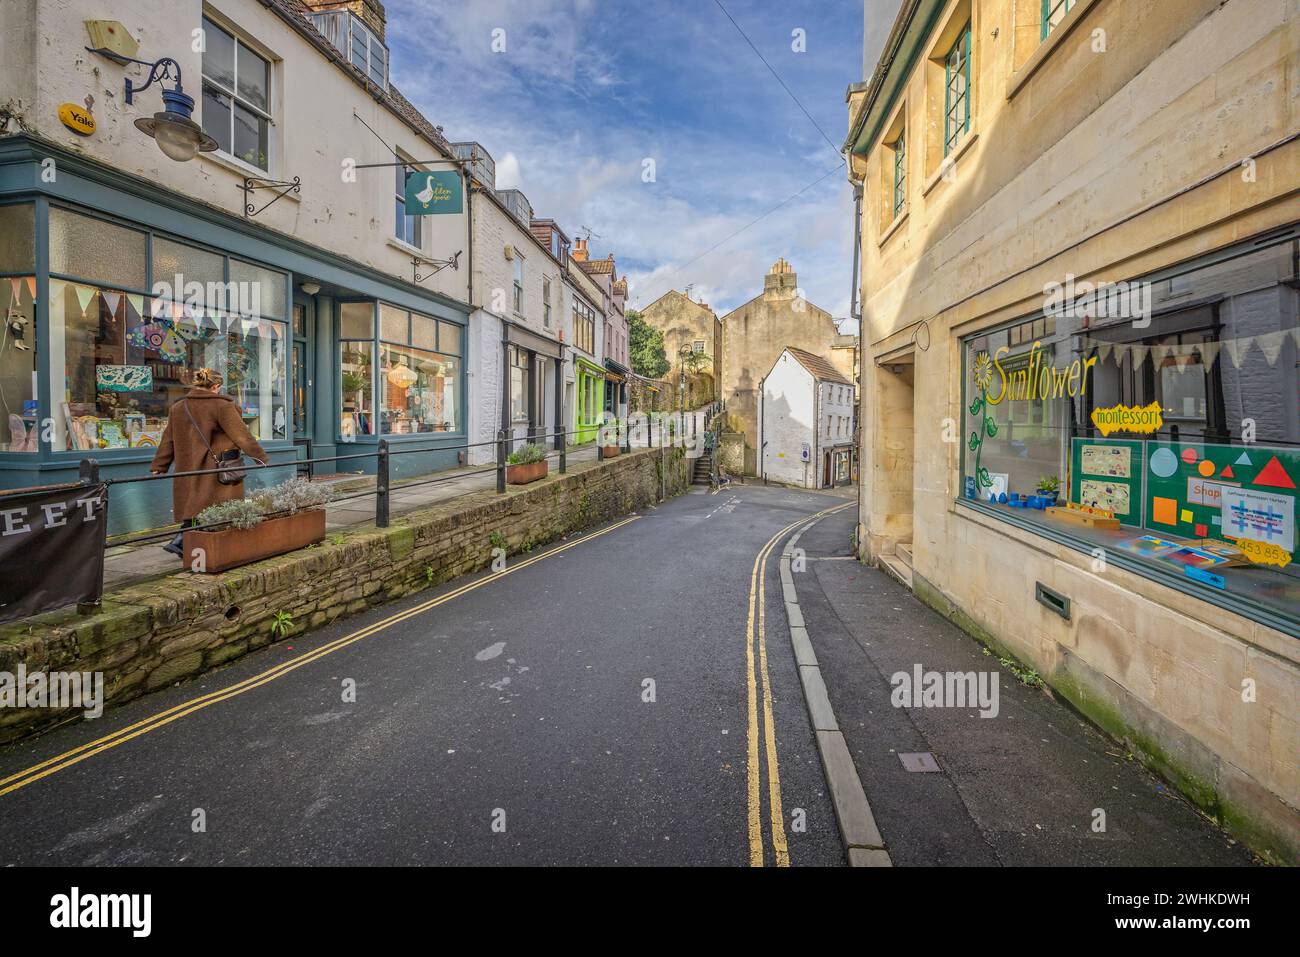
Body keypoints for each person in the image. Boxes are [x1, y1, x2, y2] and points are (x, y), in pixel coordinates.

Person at [150, 368, 268, 557]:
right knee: (214, 508)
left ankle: (189, 543)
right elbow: (242, 436)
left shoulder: (179, 407)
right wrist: (260, 457)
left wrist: (160, 465)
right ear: (216, 386)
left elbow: (168, 440)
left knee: (196, 508)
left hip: (188, 467)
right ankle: (183, 541)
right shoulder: (222, 406)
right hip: (217, 468)